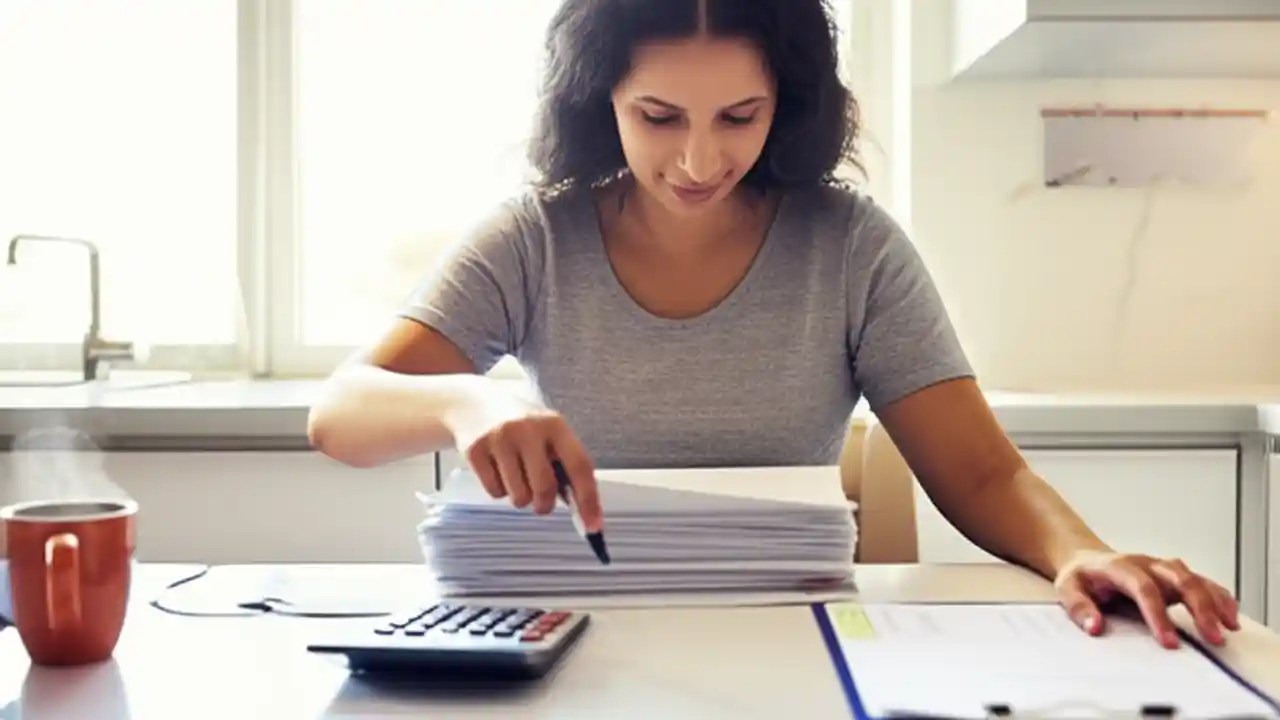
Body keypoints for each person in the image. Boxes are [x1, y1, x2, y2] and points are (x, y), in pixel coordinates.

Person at [307, 0, 1238, 649]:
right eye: (659, 116)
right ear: (601, 104)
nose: (700, 159)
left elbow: (984, 470)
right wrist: (463, 402)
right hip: (585, 634)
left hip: (799, 639)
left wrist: (1084, 553)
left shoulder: (851, 246)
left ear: (786, 105)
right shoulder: (534, 239)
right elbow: (341, 415)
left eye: (739, 116)